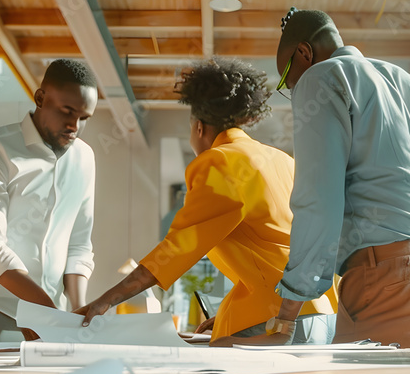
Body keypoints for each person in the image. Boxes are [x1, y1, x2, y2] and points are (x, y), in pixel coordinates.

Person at [268, 8, 410, 349]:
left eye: (286, 79)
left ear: (303, 53)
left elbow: (318, 202)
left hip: (388, 279)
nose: (291, 88)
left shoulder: (320, 79)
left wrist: (285, 315)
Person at [76, 57, 336, 347]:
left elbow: (177, 248)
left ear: (199, 128)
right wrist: (232, 316)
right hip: (318, 314)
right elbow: (273, 250)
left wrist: (104, 301)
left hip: (276, 322)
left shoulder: (219, 161)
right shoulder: (283, 161)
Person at [0, 59, 99, 342]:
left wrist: (77, 310)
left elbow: (79, 245)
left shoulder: (85, 158)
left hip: (55, 319)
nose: (74, 126)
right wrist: (46, 309)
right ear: (40, 98)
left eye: (84, 118)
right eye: (67, 111)